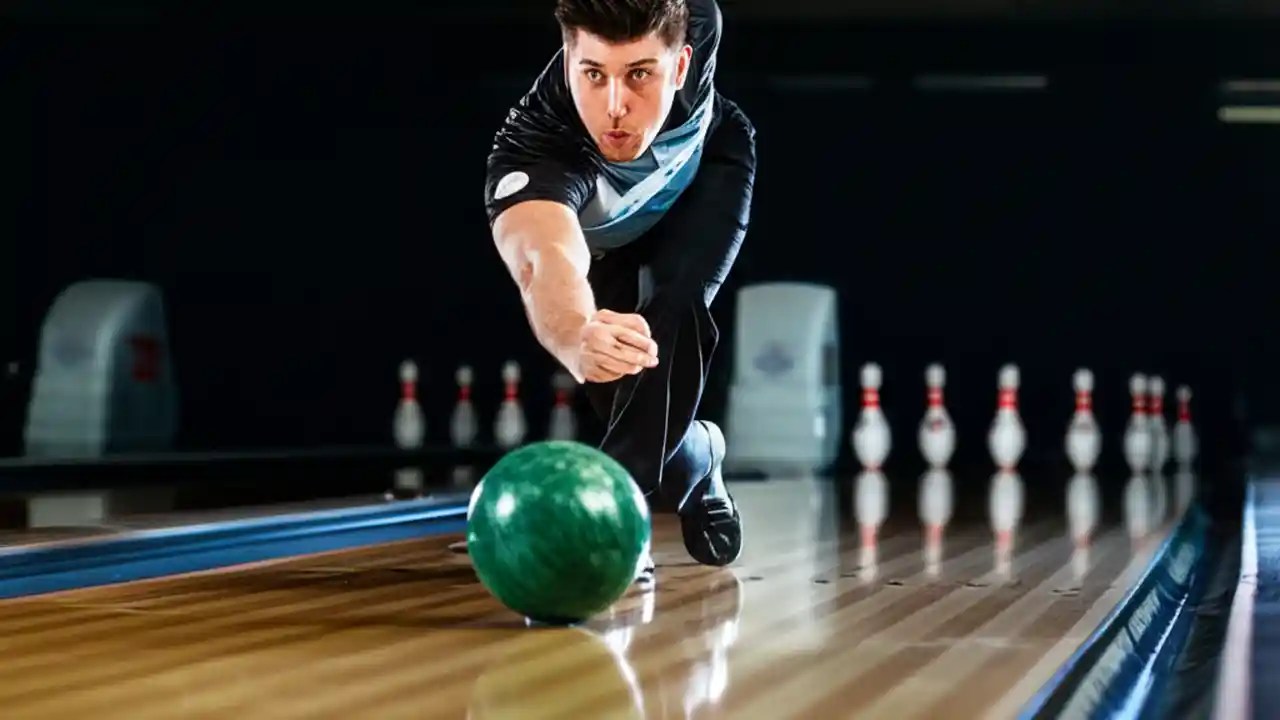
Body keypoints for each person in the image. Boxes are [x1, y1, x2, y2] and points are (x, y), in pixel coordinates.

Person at [483, 0, 757, 583]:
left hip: (708, 174)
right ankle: (700, 457)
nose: (615, 107)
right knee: (631, 390)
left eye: (640, 75)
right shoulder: (536, 145)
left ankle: (608, 516)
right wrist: (577, 332)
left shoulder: (698, 21)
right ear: (567, 62)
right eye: (592, 74)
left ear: (681, 67)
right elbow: (544, 261)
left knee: (675, 308)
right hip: (608, 248)